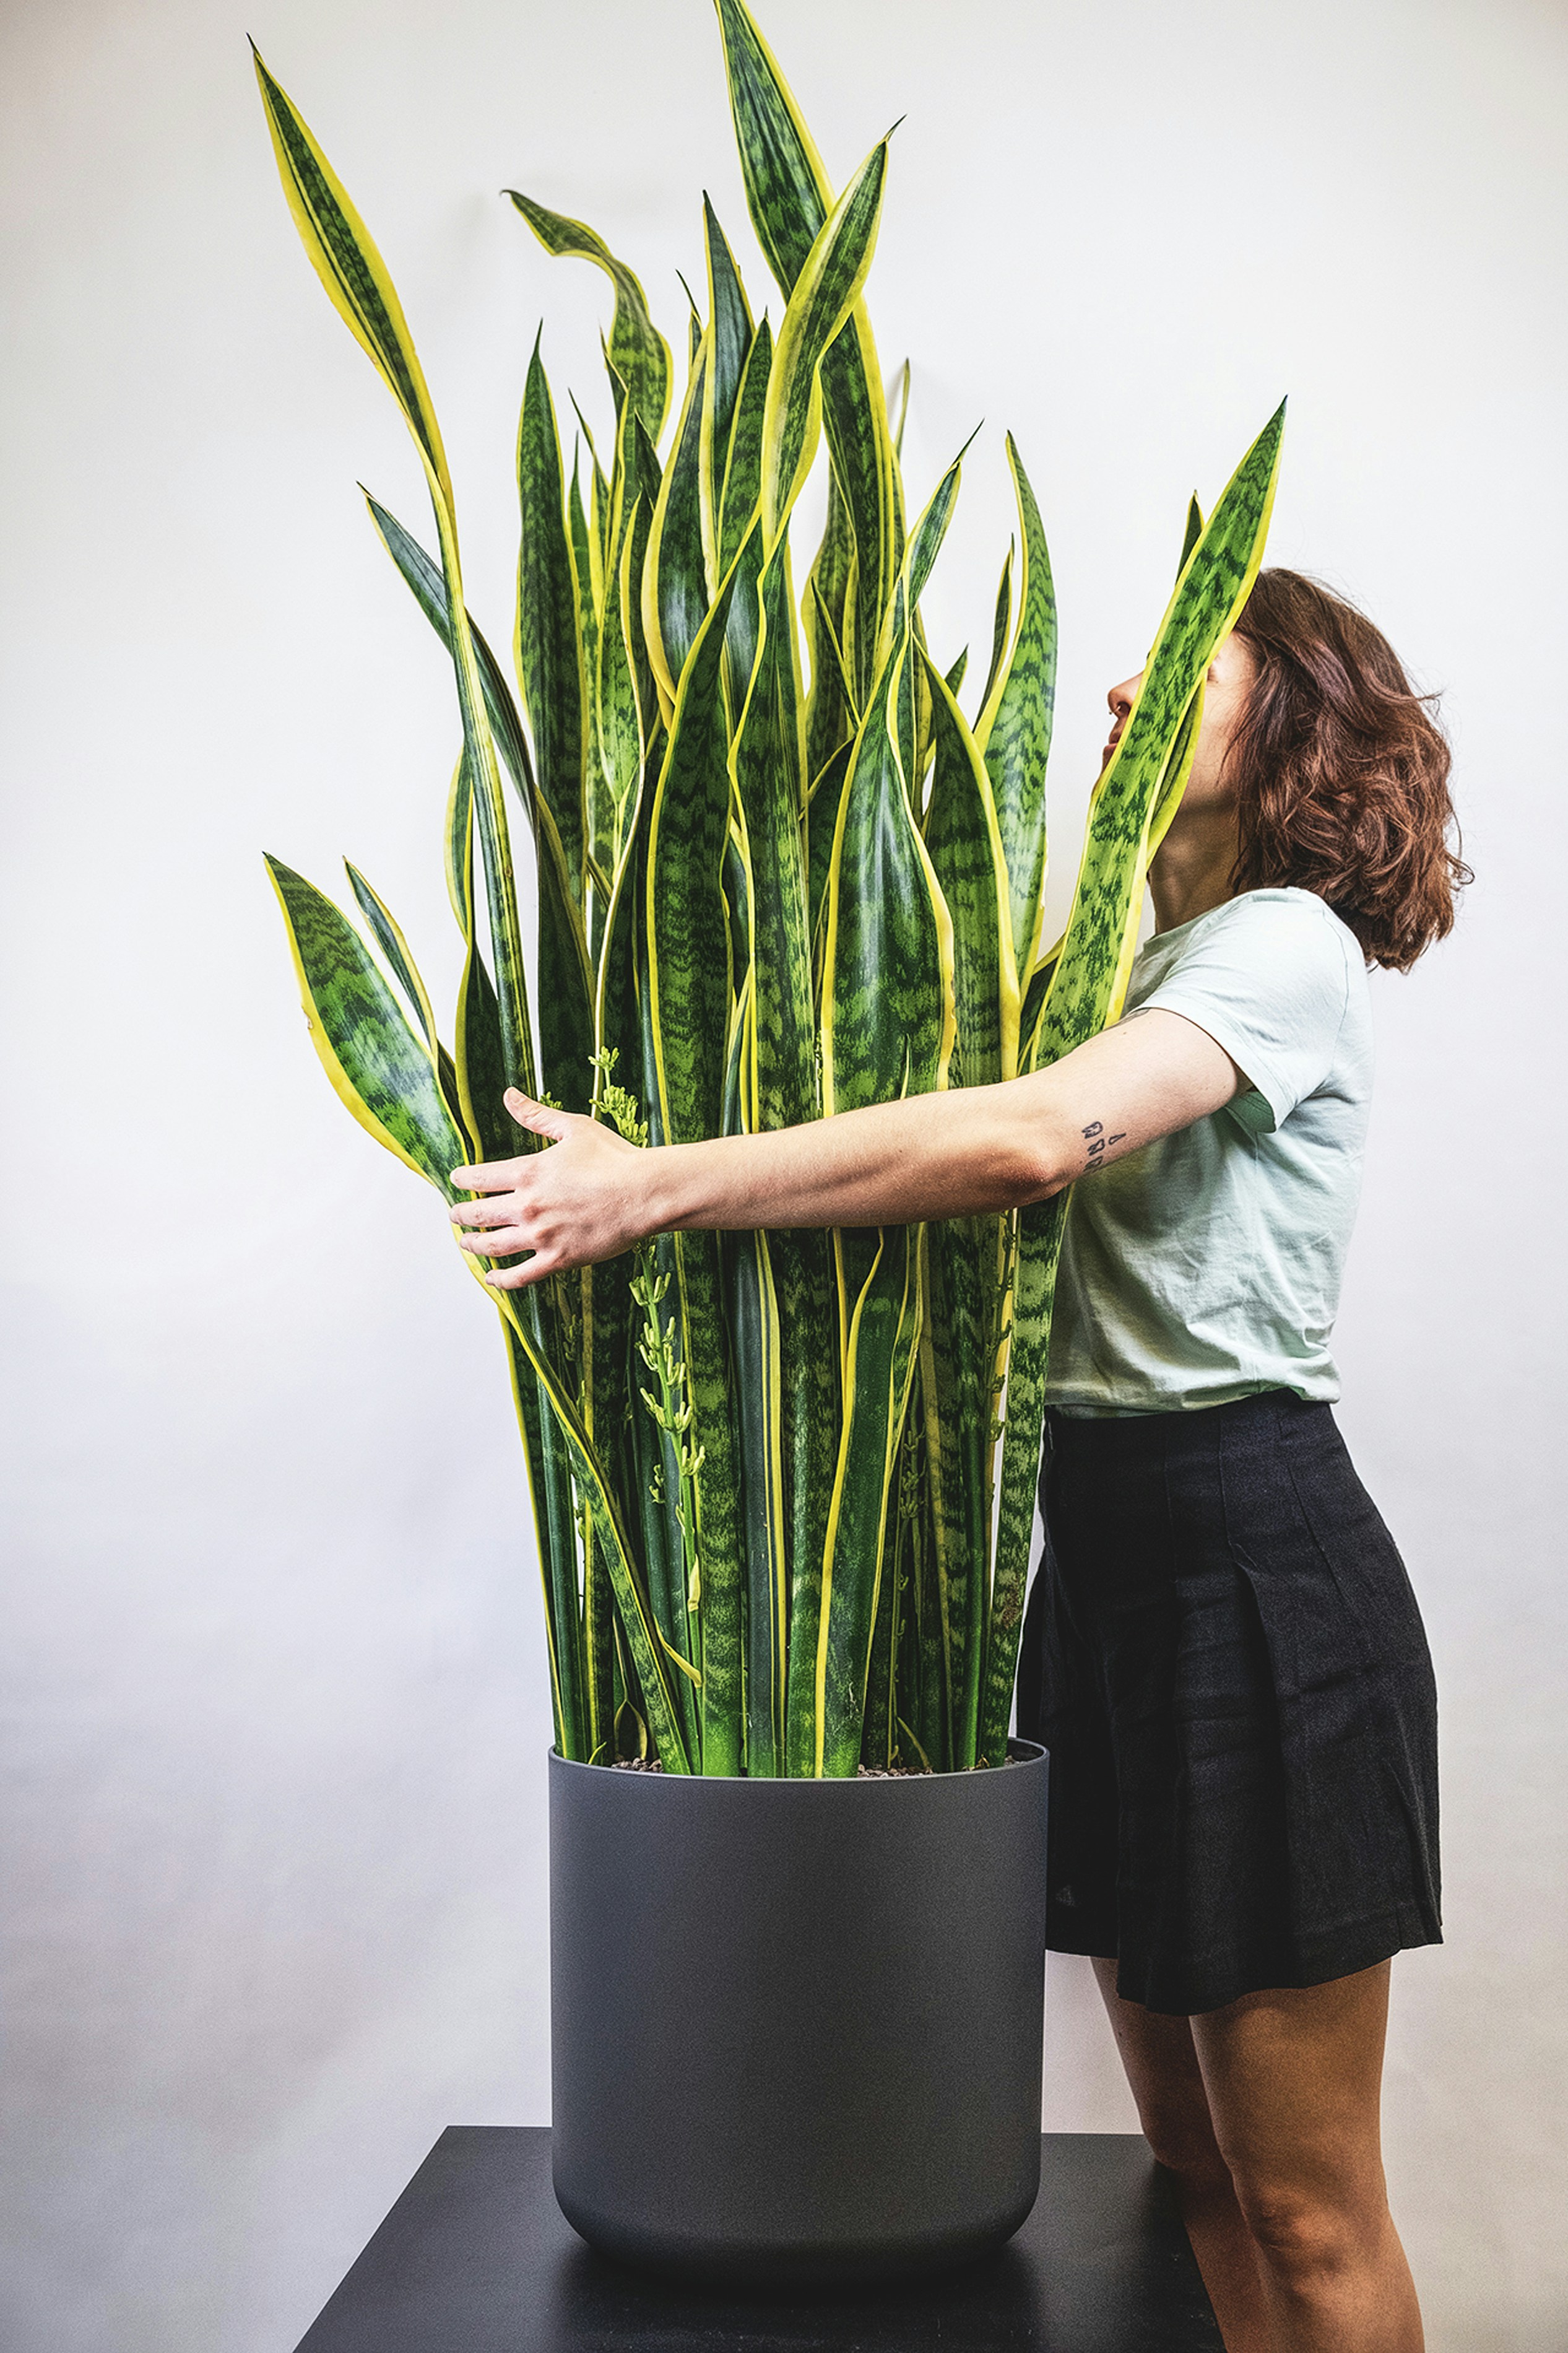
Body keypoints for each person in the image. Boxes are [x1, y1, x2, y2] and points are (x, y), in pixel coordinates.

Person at [448, 568, 1466, 2353]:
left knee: (1309, 2210)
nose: (1120, 695)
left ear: (1293, 717)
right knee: (1202, 2179)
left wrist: (655, 1182)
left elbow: (1018, 1144)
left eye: (1181, 672)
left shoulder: (1280, 945)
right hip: (1114, 1574)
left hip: (1259, 1573)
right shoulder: (1123, 963)